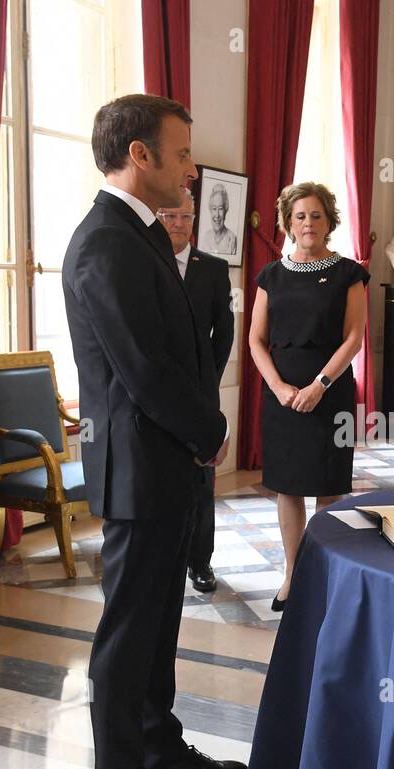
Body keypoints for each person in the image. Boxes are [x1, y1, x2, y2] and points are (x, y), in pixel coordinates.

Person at [62, 94, 245, 769]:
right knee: (128, 634)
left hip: (161, 460)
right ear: (140, 156)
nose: (191, 169)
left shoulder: (134, 234)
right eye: (181, 154)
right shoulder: (107, 240)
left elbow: (179, 351)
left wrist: (200, 434)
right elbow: (145, 368)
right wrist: (211, 429)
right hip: (140, 465)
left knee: (158, 624)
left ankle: (159, 750)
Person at [249, 182, 369, 611]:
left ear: (329, 220)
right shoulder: (271, 275)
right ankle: (292, 575)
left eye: (316, 215)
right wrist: (280, 388)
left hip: (329, 392)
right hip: (282, 396)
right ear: (288, 223)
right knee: (288, 487)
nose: (308, 223)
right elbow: (255, 341)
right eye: (300, 216)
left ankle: (326, 576)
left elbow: (354, 337)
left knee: (328, 489)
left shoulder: (348, 273)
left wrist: (320, 384)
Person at [157, 196, 234, 593]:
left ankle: (200, 562)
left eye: (185, 216)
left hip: (202, 393)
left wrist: (210, 378)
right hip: (155, 389)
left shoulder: (213, 269)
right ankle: (164, 555)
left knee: (203, 480)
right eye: (169, 215)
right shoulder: (146, 262)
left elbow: (225, 333)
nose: (178, 223)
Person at [203, 182, 238, 255]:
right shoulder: (205, 238)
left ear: (226, 210)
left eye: (221, 208)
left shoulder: (231, 239)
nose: (217, 215)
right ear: (210, 210)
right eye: (214, 208)